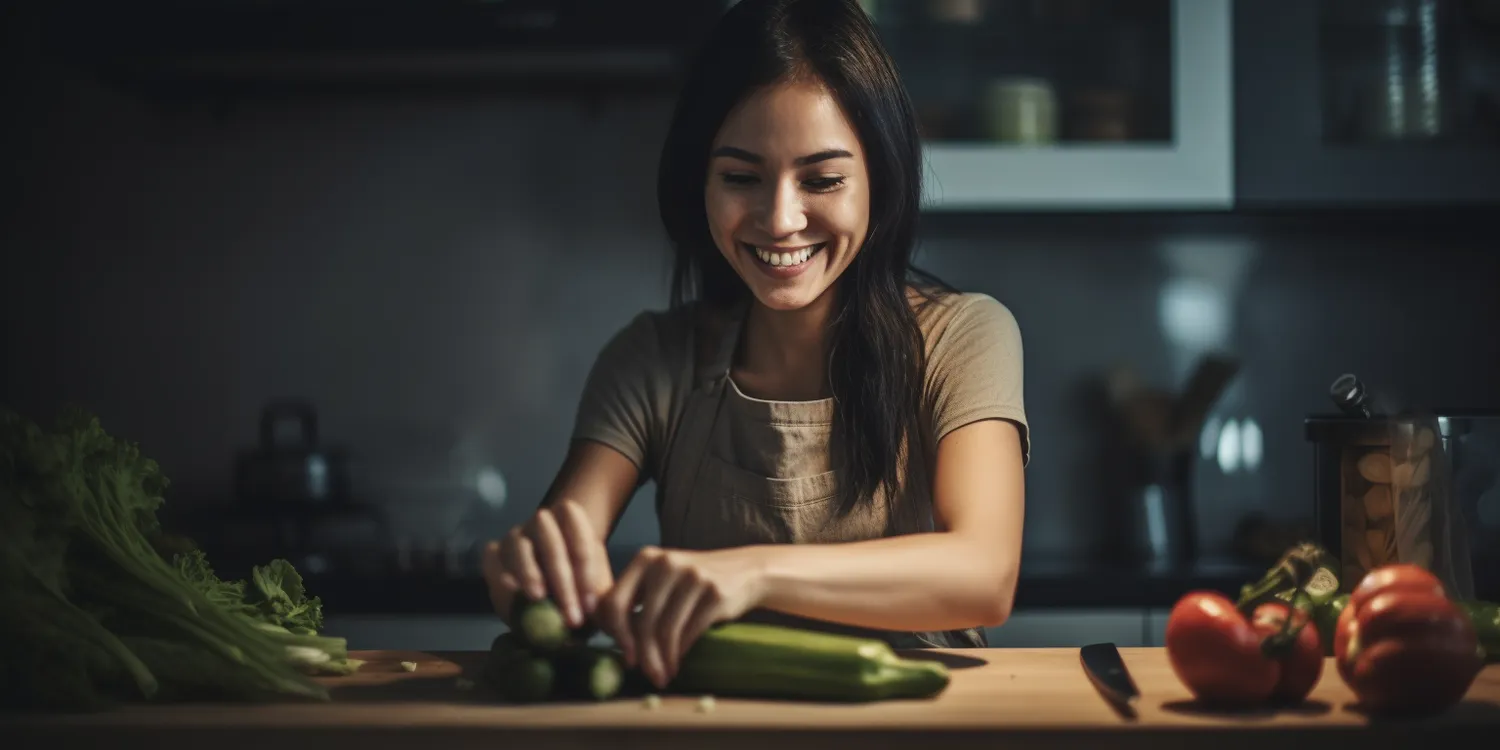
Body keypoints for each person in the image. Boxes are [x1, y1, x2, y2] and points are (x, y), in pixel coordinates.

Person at [481, 0, 1028, 691]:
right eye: (740, 177)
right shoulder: (654, 358)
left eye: (823, 179)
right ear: (699, 182)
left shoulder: (965, 336)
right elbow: (557, 559)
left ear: (879, 182)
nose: (780, 220)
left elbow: (985, 574)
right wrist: (528, 575)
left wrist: (751, 572)